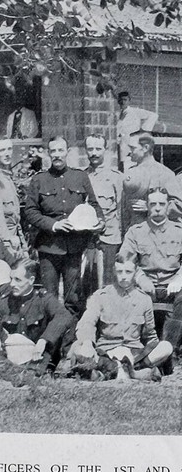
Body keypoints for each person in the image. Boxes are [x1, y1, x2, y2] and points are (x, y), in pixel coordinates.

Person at [23, 135, 104, 315]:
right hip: (49, 247)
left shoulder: (80, 176)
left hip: (75, 248)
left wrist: (98, 222)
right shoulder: (39, 180)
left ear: (67, 152)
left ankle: (71, 340)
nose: (57, 155)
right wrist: (53, 224)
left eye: (61, 150)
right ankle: (49, 339)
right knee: (48, 297)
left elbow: (94, 205)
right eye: (53, 151)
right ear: (47, 154)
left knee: (74, 298)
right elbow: (30, 211)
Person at [69, 252, 172, 380]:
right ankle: (132, 372)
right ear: (114, 271)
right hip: (106, 350)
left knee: (166, 347)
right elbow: (87, 322)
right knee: (79, 349)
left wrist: (158, 354)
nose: (123, 276)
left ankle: (114, 371)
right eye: (119, 271)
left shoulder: (144, 300)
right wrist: (88, 343)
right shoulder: (101, 296)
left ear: (136, 272)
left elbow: (150, 335)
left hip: (134, 352)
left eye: (128, 272)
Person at [0, 259, 75, 383]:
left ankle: (23, 372)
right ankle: (14, 370)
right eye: (11, 279)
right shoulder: (3, 302)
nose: (12, 284)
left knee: (53, 341)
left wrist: (43, 340)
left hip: (37, 355)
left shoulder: (44, 299)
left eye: (18, 280)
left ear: (31, 280)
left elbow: (64, 316)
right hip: (10, 355)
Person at [119, 187, 182, 352]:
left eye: (162, 203)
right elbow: (124, 261)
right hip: (146, 285)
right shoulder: (135, 232)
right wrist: (140, 278)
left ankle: (170, 350)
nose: (157, 207)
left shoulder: (179, 231)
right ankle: (142, 347)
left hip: (173, 284)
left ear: (168, 206)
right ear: (147, 205)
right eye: (153, 204)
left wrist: (180, 278)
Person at [121, 131, 182, 230]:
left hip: (155, 234)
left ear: (145, 148)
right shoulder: (131, 173)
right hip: (133, 234)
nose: (129, 151)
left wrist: (152, 207)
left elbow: (179, 205)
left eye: (133, 148)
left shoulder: (164, 173)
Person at [85, 134, 124, 285]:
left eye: (98, 149)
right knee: (86, 284)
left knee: (108, 283)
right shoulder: (81, 176)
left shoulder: (116, 178)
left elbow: (122, 212)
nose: (94, 153)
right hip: (86, 240)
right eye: (90, 149)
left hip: (109, 239)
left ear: (105, 150)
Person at [116, 90, 157, 171]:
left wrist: (144, 131)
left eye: (125, 100)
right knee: (122, 169)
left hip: (133, 145)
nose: (123, 102)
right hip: (121, 145)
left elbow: (153, 115)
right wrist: (120, 120)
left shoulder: (135, 111)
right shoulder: (117, 114)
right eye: (121, 100)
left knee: (133, 167)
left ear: (129, 100)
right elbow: (116, 130)